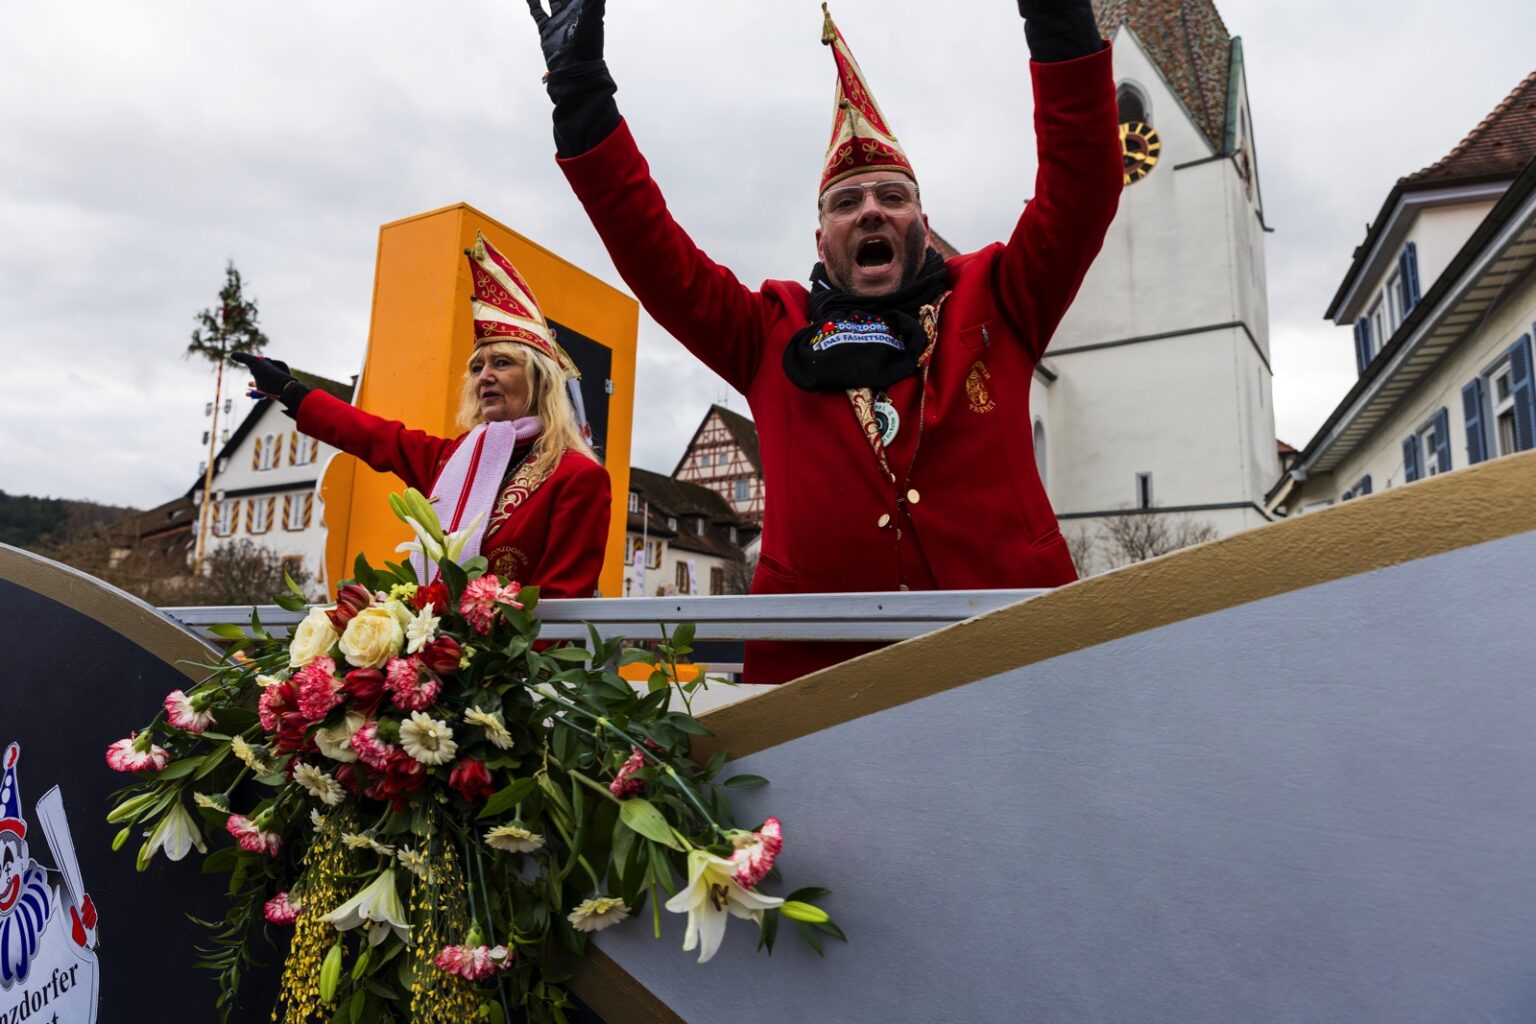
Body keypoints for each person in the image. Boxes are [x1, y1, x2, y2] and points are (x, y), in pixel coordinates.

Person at [526, 0, 1120, 682]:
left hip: (1014, 665)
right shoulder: (765, 330)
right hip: (812, 689)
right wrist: (579, 92)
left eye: (891, 197)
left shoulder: (1002, 297)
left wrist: (1058, 17)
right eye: (847, 202)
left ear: (922, 222)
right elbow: (649, 245)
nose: (870, 208)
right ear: (821, 239)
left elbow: (1084, 184)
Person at [234, 233, 611, 599]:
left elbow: (563, 605)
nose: (485, 377)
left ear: (540, 380)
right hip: (435, 657)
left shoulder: (577, 477)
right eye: (477, 367)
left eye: (501, 363)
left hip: (515, 663)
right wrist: (290, 392)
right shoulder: (455, 459)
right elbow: (374, 436)